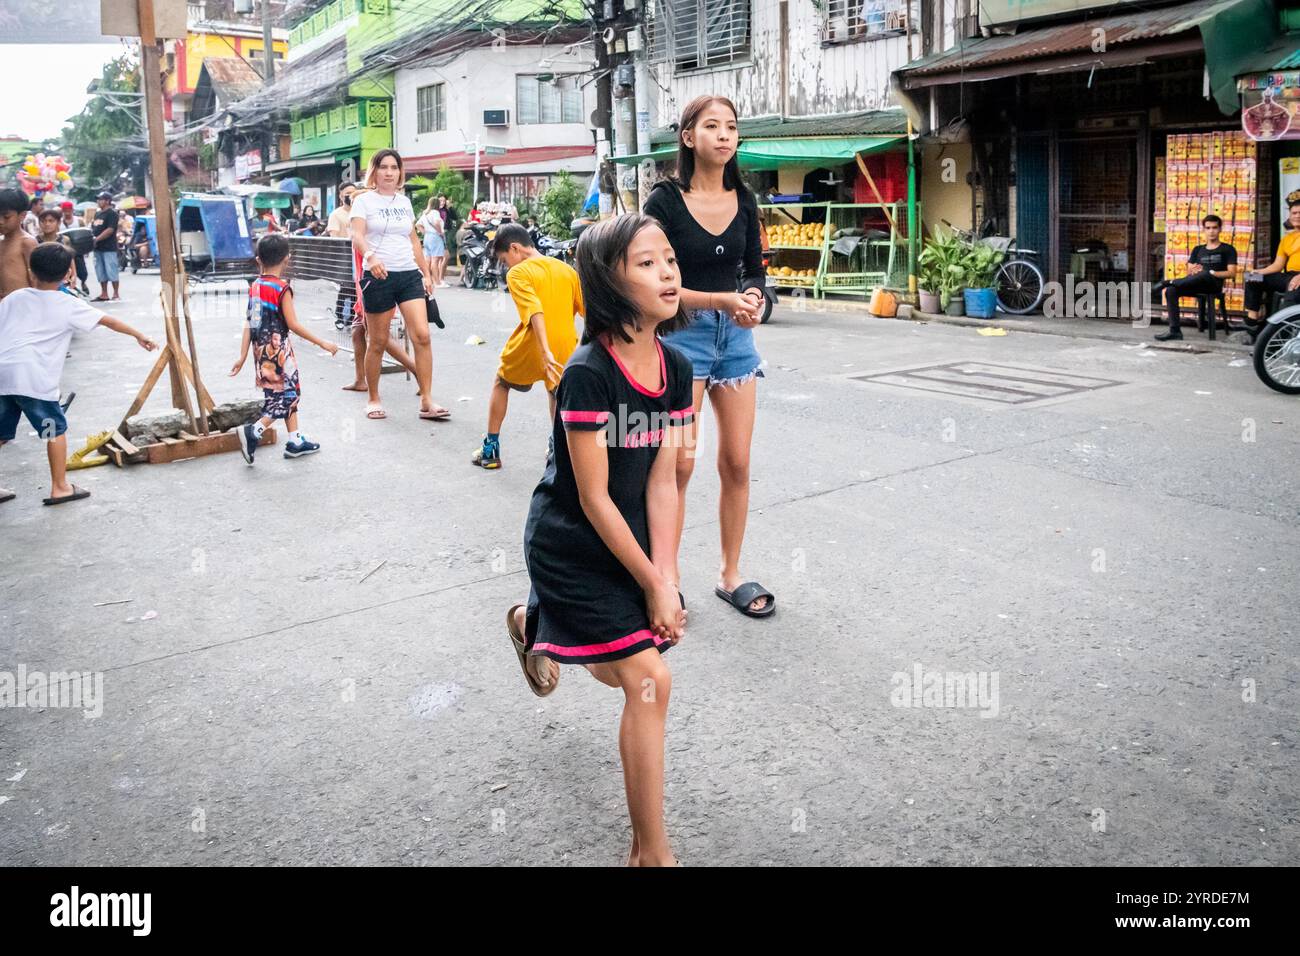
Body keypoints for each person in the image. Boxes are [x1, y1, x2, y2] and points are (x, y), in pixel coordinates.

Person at [506, 213, 692, 866]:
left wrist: (664, 579)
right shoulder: (588, 373)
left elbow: (664, 481)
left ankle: (537, 627)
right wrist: (651, 583)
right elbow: (591, 497)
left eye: (669, 258)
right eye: (647, 263)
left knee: (634, 677)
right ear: (608, 282)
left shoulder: (676, 366)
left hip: (632, 544)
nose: (667, 272)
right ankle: (651, 852)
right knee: (649, 681)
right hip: (571, 548)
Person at [642, 94, 774, 619]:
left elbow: (753, 270)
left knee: (737, 463)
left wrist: (755, 300)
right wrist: (719, 301)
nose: (724, 135)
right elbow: (656, 279)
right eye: (712, 126)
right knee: (678, 464)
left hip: (736, 343)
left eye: (732, 127)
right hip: (681, 340)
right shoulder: (664, 202)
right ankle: (665, 579)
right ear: (688, 136)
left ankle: (730, 573)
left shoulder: (744, 199)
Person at [0, 242, 157, 506]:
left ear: (31, 271)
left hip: (3, 375)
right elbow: (109, 320)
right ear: (67, 275)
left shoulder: (15, 297)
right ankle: (60, 487)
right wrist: (139, 335)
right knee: (53, 430)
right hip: (34, 380)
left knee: (1, 433)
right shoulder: (67, 303)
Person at [473, 222, 584, 469]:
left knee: (501, 383)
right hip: (565, 347)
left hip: (532, 343)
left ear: (515, 248)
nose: (506, 266)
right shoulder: (566, 270)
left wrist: (544, 350)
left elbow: (535, 310)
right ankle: (556, 448)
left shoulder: (519, 273)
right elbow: (587, 310)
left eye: (504, 259)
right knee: (555, 392)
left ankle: (491, 449)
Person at [350, 148, 449, 421]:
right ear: (375, 171)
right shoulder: (364, 202)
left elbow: (413, 240)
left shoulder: (404, 202)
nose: (389, 172)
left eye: (394, 167)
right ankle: (373, 398)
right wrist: (370, 256)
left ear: (400, 172)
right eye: (384, 167)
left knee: (422, 335)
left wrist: (426, 274)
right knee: (378, 341)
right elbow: (357, 235)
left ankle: (427, 399)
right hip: (378, 275)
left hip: (408, 274)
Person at [230, 233, 339, 465]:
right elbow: (293, 324)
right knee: (288, 396)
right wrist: (323, 342)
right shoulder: (282, 288)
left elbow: (249, 323)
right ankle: (254, 430)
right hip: (279, 351)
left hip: (261, 351)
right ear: (287, 259)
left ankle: (295, 440)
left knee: (281, 394)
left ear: (258, 259)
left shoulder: (256, 287)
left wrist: (242, 355)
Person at [1155, 214, 1239, 342]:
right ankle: (1175, 331)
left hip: (1213, 284)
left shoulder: (1228, 249)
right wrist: (1194, 270)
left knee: (1206, 273)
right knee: (1171, 291)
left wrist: (1213, 273)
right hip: (1195, 283)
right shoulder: (1198, 249)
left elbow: (1232, 273)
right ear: (1204, 230)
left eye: (1214, 228)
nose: (1211, 231)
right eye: (1208, 228)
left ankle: (1168, 282)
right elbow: (1189, 270)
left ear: (1220, 229)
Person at [1243, 199, 1300, 333]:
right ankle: (1252, 324)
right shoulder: (1287, 239)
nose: (1297, 216)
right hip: (1288, 276)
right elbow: (1277, 265)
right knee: (1252, 278)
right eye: (1294, 213)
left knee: (1291, 294)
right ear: (1290, 216)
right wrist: (1257, 271)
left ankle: (1281, 334)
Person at [0, 188, 37, 300]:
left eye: (6, 217)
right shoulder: (1, 242)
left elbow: (35, 279)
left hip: (22, 306)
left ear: (22, 215)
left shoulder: (27, 243)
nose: (0, 221)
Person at [90, 192, 121, 301]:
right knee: (100, 270)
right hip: (98, 248)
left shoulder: (112, 213)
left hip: (109, 247)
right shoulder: (97, 214)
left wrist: (97, 239)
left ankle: (116, 293)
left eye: (101, 199)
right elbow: (93, 228)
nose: (98, 201)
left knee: (111, 269)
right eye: (98, 199)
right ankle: (104, 293)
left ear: (107, 201)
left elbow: (110, 230)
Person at [58, 201, 91, 295]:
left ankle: (83, 282)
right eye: (65, 211)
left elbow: (85, 234)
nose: (67, 213)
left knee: (82, 269)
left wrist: (86, 248)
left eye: (69, 211)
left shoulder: (79, 221)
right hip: (63, 251)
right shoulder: (59, 222)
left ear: (72, 210)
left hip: (78, 250)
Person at [417, 196, 449, 288]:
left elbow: (418, 224)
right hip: (435, 237)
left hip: (427, 237)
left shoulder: (425, 213)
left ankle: (429, 279)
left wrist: (425, 232)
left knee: (428, 260)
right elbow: (436, 222)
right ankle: (437, 282)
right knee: (435, 260)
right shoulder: (435, 212)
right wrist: (440, 231)